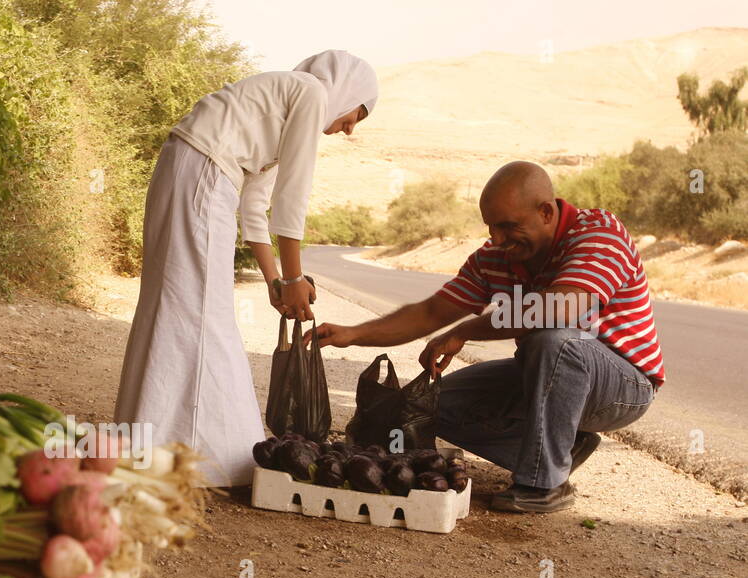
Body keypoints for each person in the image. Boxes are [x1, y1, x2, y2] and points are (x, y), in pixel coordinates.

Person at [315, 161, 663, 513]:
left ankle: (545, 485)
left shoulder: (599, 233)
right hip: (540, 372)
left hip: (622, 387)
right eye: (491, 227)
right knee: (420, 407)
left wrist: (467, 330)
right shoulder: (495, 257)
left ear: (546, 211)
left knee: (553, 340)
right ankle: (563, 448)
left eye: (508, 226)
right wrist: (353, 333)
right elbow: (432, 313)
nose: (497, 239)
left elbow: (561, 309)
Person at [114, 51, 379, 487]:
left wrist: (276, 280)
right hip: (202, 175)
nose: (350, 128)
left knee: (179, 304)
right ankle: (200, 458)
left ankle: (153, 444)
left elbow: (255, 205)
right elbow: (293, 199)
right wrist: (294, 279)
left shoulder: (284, 107)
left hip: (189, 170)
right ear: (344, 90)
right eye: (357, 115)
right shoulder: (312, 93)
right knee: (201, 311)